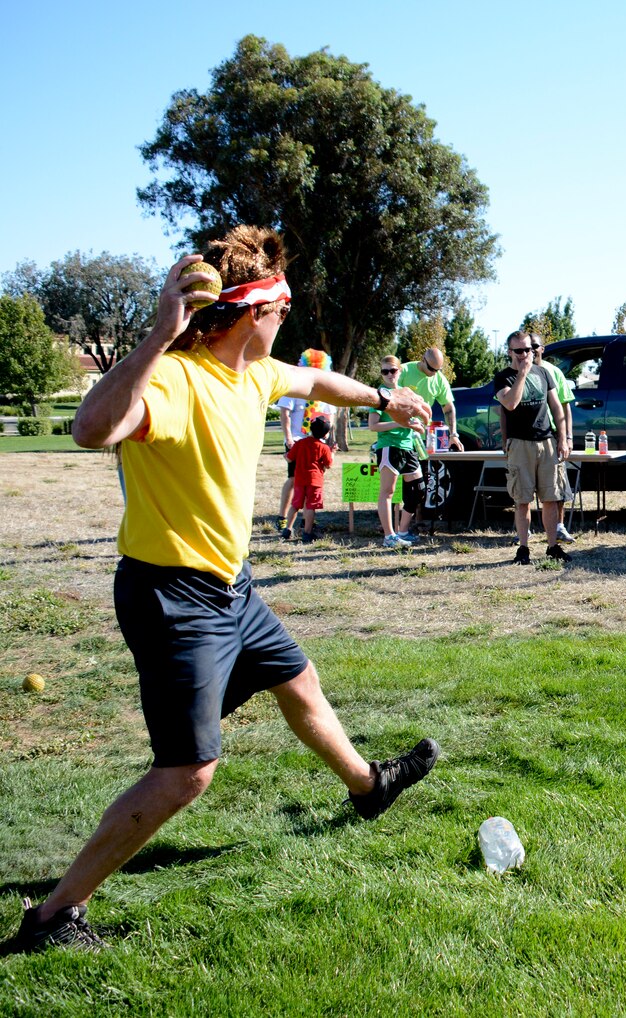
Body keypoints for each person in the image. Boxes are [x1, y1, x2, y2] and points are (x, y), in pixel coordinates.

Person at [7, 225, 439, 955]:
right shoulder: (175, 380)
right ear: (251, 312)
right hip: (172, 597)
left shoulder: (257, 375)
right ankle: (53, 918)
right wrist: (156, 336)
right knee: (187, 772)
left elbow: (317, 382)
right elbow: (89, 428)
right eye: (282, 308)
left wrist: (384, 398)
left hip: (231, 588)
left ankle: (369, 788)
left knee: (298, 681)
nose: (288, 320)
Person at [493, 330, 571, 565]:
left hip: (546, 442)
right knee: (522, 500)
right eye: (519, 351)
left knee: (550, 497)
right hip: (520, 444)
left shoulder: (544, 373)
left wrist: (563, 437)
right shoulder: (503, 378)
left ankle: (552, 547)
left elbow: (557, 408)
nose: (525, 354)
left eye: (528, 349)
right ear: (509, 352)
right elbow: (510, 403)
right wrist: (523, 373)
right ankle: (524, 548)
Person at [391, 346, 463, 536]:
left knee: (419, 482)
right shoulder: (404, 371)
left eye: (438, 370)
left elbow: (449, 407)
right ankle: (392, 527)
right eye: (431, 369)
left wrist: (453, 434)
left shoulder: (438, 379)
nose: (434, 374)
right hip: (397, 436)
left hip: (420, 438)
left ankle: (413, 523)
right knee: (394, 484)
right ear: (422, 360)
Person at [368, 354, 425, 549]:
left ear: (399, 371)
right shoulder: (380, 395)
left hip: (408, 447)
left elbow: (416, 414)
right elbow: (373, 426)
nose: (389, 374)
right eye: (385, 371)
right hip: (389, 446)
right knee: (388, 492)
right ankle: (389, 536)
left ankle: (402, 530)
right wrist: (399, 422)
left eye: (392, 370)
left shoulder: (406, 392)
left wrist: (415, 423)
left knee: (418, 488)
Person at [276, 350, 333, 532]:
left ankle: (307, 519)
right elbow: (284, 414)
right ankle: (283, 517)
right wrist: (289, 439)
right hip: (297, 441)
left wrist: (327, 442)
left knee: (313, 482)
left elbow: (329, 417)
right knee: (293, 480)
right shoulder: (294, 389)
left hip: (317, 444)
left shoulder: (325, 392)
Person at [531, 336, 577, 545]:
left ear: (542, 348)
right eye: (524, 347)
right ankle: (524, 532)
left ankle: (559, 527)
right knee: (524, 490)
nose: (529, 351)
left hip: (551, 437)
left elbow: (565, 406)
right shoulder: (516, 372)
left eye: (534, 347)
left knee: (557, 486)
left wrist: (566, 437)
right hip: (526, 439)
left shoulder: (553, 372)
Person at [284, 415, 335, 543]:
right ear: (325, 434)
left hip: (300, 480)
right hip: (315, 481)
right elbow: (328, 465)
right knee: (311, 506)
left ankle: (287, 529)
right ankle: (307, 533)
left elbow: (290, 458)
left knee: (295, 505)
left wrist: (285, 455)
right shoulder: (324, 448)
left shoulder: (300, 443)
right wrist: (333, 452)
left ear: (311, 429)